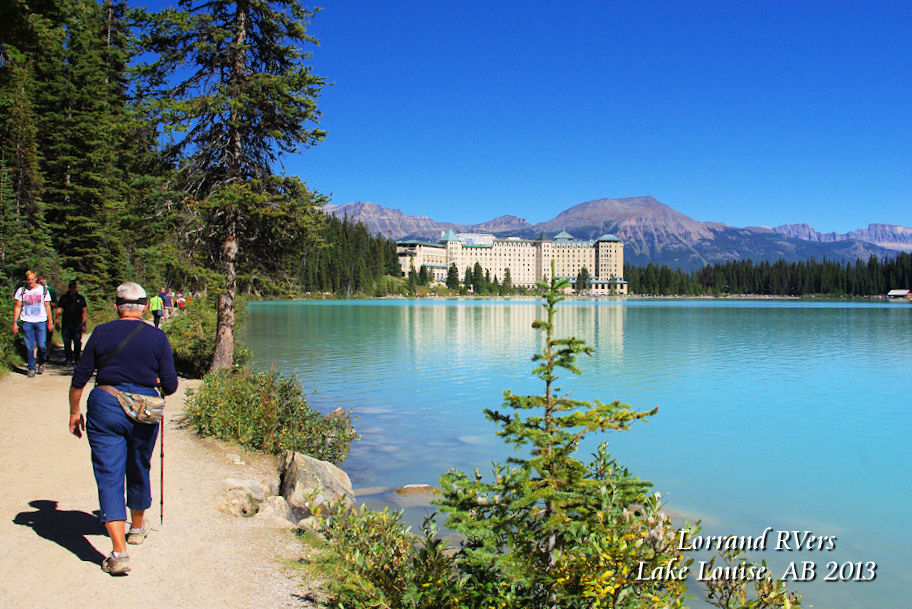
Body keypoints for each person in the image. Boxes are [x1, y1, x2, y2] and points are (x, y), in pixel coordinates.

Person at [68, 282, 178, 576]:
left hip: (105, 405)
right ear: (144, 307)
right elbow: (170, 384)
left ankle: (118, 553)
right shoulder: (157, 337)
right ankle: (138, 527)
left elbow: (80, 376)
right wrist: (151, 383)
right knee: (139, 465)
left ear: (116, 306)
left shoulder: (101, 333)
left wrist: (74, 411)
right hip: (144, 408)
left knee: (109, 474)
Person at [12, 270, 54, 377]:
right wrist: (15, 322)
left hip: (40, 321)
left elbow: (47, 306)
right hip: (27, 321)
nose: (30, 282)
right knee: (29, 346)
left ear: (35, 279)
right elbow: (17, 307)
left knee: (42, 345)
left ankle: (42, 361)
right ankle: (31, 368)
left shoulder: (43, 290)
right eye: (28, 279)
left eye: (32, 279)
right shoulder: (22, 290)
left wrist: (50, 322)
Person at [56, 280, 88, 364]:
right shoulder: (64, 298)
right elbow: (59, 310)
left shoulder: (80, 298)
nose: (72, 289)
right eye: (71, 287)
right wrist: (57, 322)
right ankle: (68, 358)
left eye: (73, 287)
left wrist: (84, 324)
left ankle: (77, 358)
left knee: (77, 341)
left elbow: (84, 311)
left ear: (75, 288)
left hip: (77, 323)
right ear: (69, 288)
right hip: (66, 323)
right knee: (67, 342)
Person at [37, 273, 58, 362]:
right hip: (37, 316)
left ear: (45, 280)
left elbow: (55, 304)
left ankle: (47, 353)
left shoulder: (50, 290)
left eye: (41, 282)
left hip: (48, 315)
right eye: (39, 282)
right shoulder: (36, 290)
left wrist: (47, 304)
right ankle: (38, 354)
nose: (40, 283)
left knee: (48, 337)